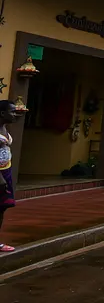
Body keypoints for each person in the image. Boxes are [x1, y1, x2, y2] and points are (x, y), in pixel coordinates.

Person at [0, 100, 19, 252]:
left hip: (6, 171)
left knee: (1, 208)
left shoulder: (5, 129)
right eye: (12, 111)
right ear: (2, 113)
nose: (14, 114)